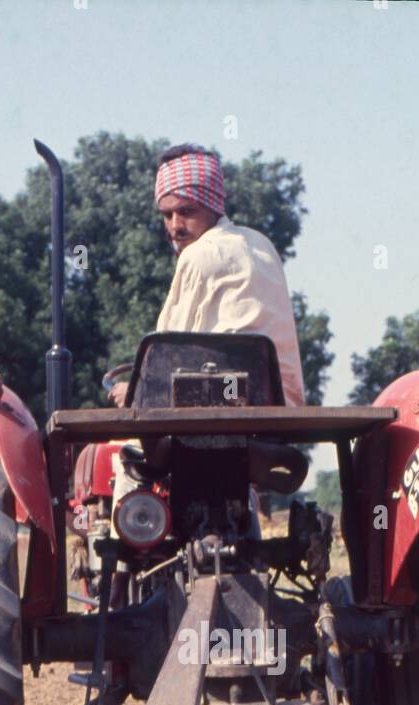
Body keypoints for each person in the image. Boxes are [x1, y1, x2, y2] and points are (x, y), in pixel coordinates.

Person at [106, 144, 305, 599]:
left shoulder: (199, 257)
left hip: (203, 423)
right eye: (167, 215)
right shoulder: (263, 247)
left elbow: (168, 355)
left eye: (186, 212)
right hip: (271, 421)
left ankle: (117, 588)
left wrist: (129, 393)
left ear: (213, 205)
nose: (175, 226)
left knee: (123, 462)